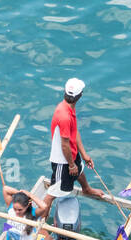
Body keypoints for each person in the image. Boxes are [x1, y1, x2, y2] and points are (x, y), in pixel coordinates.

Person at [47, 77, 104, 218]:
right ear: (80, 96)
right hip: (62, 159)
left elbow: (74, 131)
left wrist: (83, 155)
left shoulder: (68, 108)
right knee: (53, 193)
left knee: (79, 169)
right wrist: (71, 165)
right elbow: (64, 144)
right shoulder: (65, 115)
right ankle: (39, 223)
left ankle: (86, 189)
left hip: (71, 153)